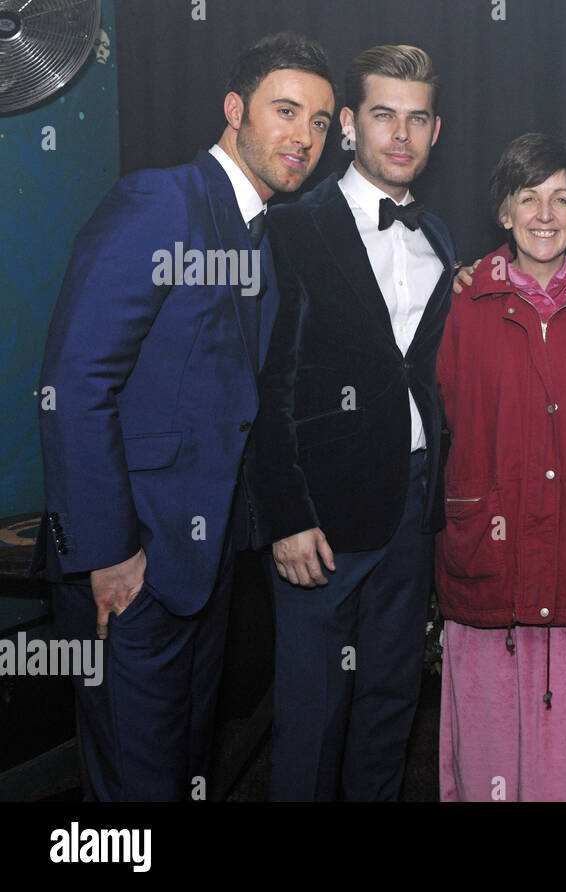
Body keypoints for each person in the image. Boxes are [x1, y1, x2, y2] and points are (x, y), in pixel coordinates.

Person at [34, 33, 334, 801]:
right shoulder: (161, 199)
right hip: (130, 568)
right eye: (287, 111)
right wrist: (107, 553)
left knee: (181, 774)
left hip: (199, 571)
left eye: (322, 123)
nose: (304, 137)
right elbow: (75, 382)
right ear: (235, 111)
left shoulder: (258, 234)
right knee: (136, 790)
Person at [243, 45, 454, 801]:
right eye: (383, 115)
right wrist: (287, 516)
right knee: (311, 712)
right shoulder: (293, 227)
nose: (401, 134)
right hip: (320, 519)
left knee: (390, 701)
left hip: (412, 508)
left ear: (436, 131)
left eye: (417, 118)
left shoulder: (442, 240)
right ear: (351, 127)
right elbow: (266, 386)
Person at [436, 133, 566, 802]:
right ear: (503, 210)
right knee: (492, 736)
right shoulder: (459, 300)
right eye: (529, 197)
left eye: (561, 198)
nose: (544, 214)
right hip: (493, 549)